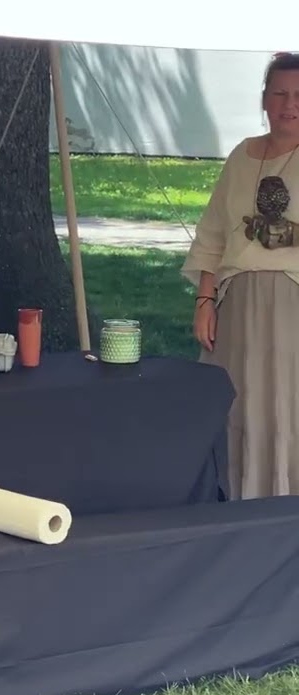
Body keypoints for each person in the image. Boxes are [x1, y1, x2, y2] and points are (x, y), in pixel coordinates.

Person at [181, 52, 299, 501]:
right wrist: (204, 301)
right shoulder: (241, 156)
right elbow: (212, 233)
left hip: (291, 302)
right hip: (238, 303)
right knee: (240, 406)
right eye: (280, 93)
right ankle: (240, 499)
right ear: (265, 100)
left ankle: (286, 504)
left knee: (287, 405)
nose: (289, 104)